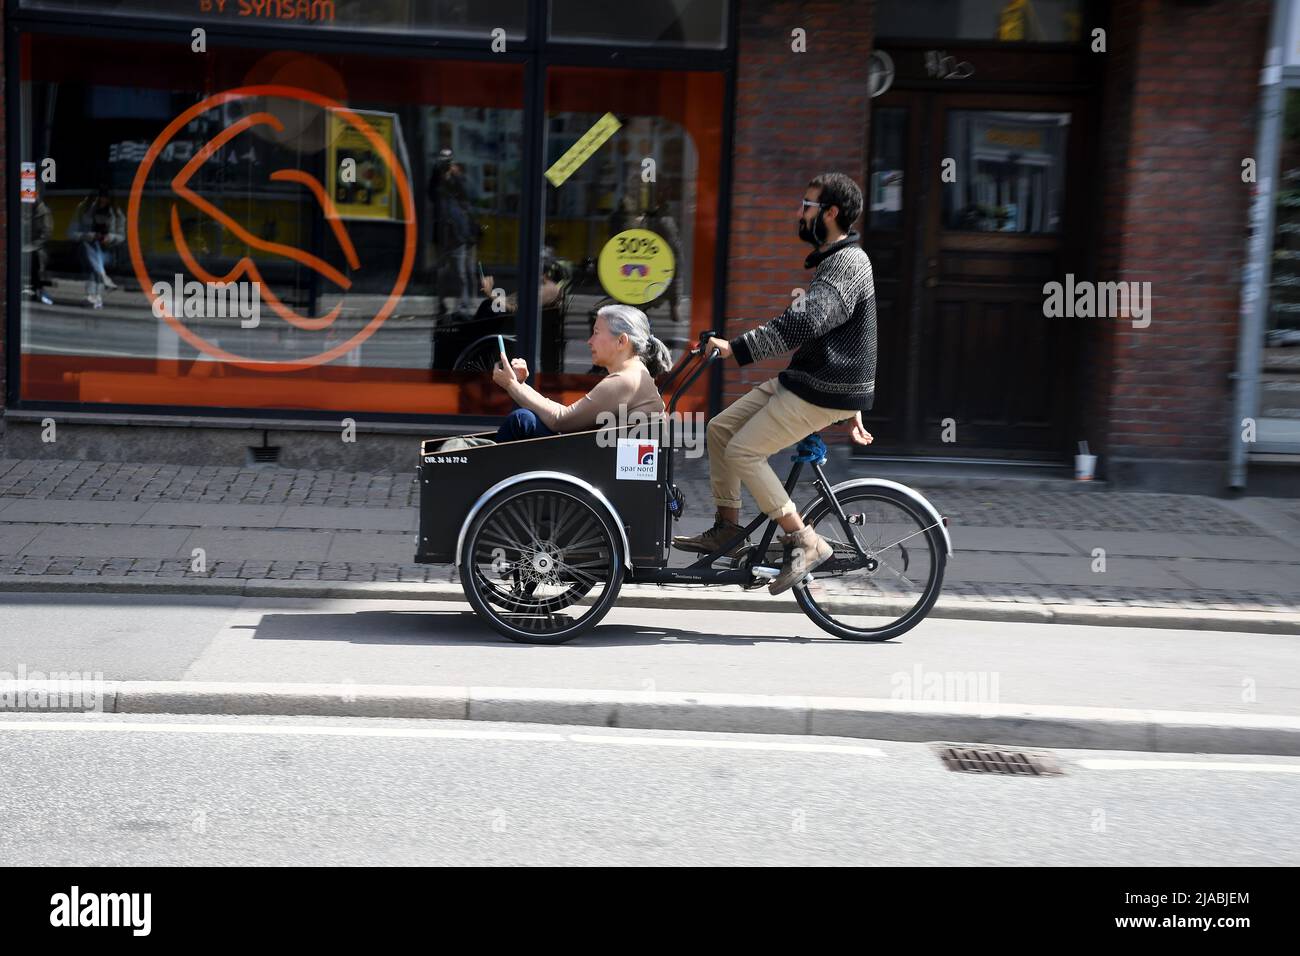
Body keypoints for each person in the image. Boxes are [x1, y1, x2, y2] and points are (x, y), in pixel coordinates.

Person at [672, 172, 877, 595]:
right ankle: (728, 530)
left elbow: (806, 321)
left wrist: (738, 348)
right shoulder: (835, 260)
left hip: (824, 389)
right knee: (720, 430)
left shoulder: (848, 263)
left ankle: (804, 539)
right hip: (807, 381)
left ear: (831, 213)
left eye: (807, 205)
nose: (799, 212)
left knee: (744, 452)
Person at [490, 303, 668, 441]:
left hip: (597, 465)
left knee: (522, 421)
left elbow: (561, 420)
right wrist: (519, 385)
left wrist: (511, 385)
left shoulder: (625, 381)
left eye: (596, 333)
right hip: (599, 458)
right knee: (525, 419)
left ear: (621, 341)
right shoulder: (635, 374)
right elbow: (566, 417)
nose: (589, 341)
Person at [70, 187, 125, 309]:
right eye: (99, 199)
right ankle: (99, 289)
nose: (102, 202)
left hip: (109, 251)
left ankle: (93, 295)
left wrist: (110, 238)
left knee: (93, 257)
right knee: (89, 247)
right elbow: (71, 233)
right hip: (87, 248)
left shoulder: (116, 213)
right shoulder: (83, 209)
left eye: (105, 199)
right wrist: (88, 235)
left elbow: (122, 236)